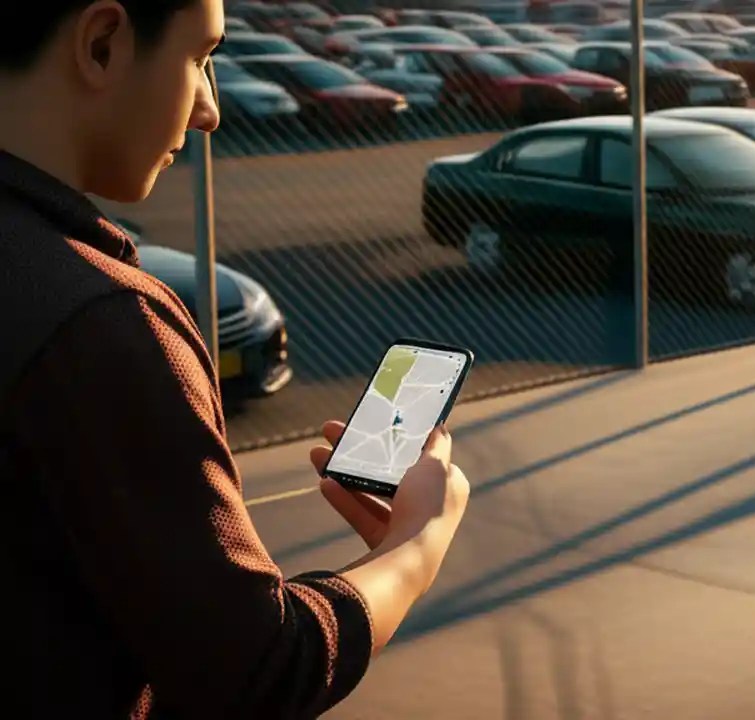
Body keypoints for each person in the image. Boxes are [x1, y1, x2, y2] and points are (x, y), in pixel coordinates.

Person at [0, 1, 470, 717]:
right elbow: (258, 671)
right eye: (200, 58)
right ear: (101, 44)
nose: (209, 111)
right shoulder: (98, 322)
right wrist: (416, 545)